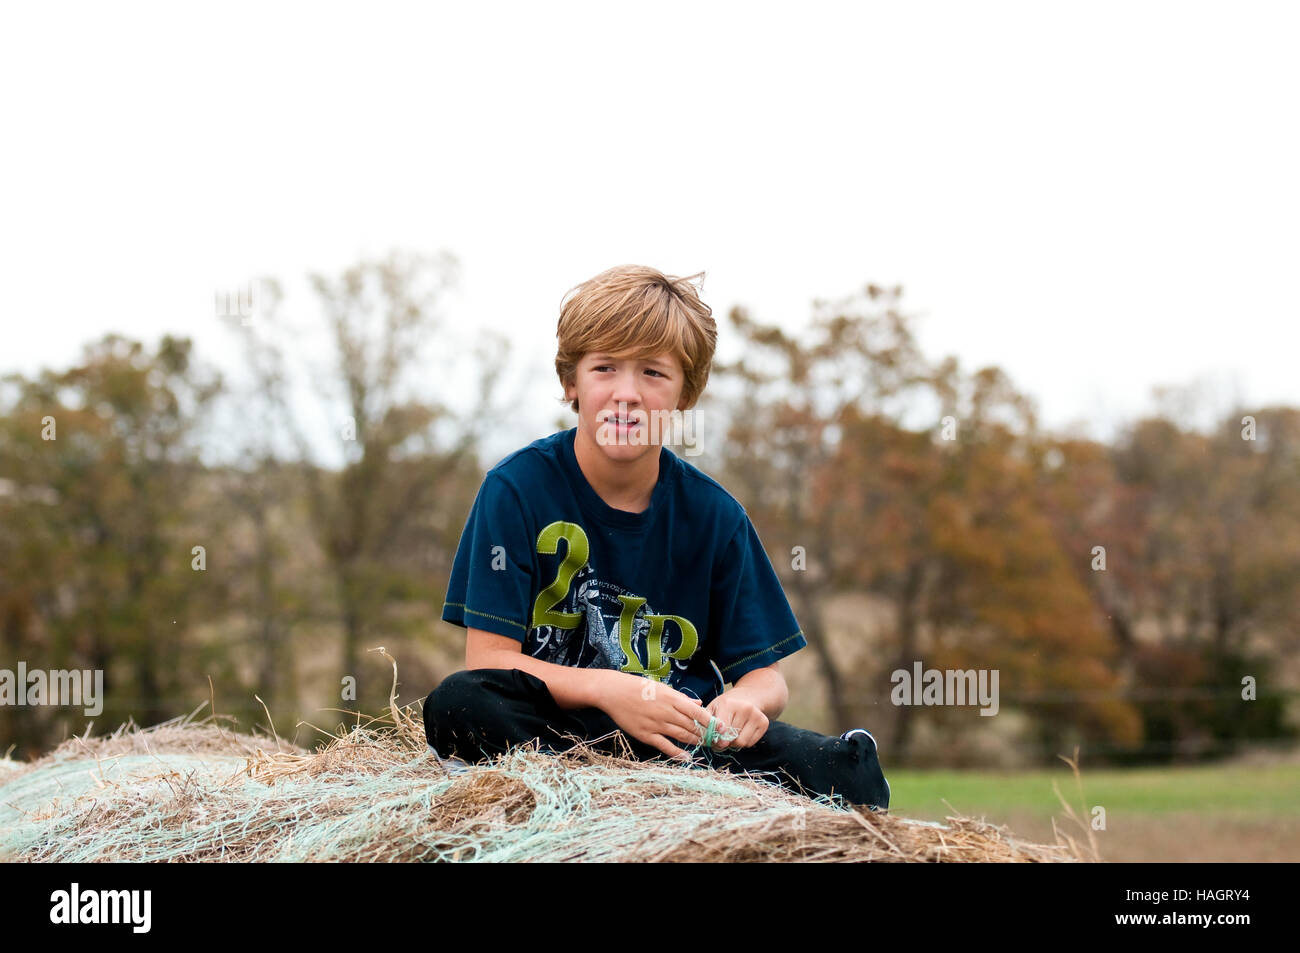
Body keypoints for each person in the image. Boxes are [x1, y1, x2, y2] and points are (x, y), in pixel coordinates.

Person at [422, 265, 890, 810]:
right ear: (572, 382)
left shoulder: (716, 517)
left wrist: (742, 701)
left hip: (680, 740)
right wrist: (610, 690)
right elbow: (490, 660)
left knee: (847, 775)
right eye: (605, 368)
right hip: (560, 724)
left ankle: (656, 794)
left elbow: (768, 678)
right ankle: (595, 796)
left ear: (684, 392)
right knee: (460, 703)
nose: (627, 394)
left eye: (652, 373)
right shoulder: (516, 490)